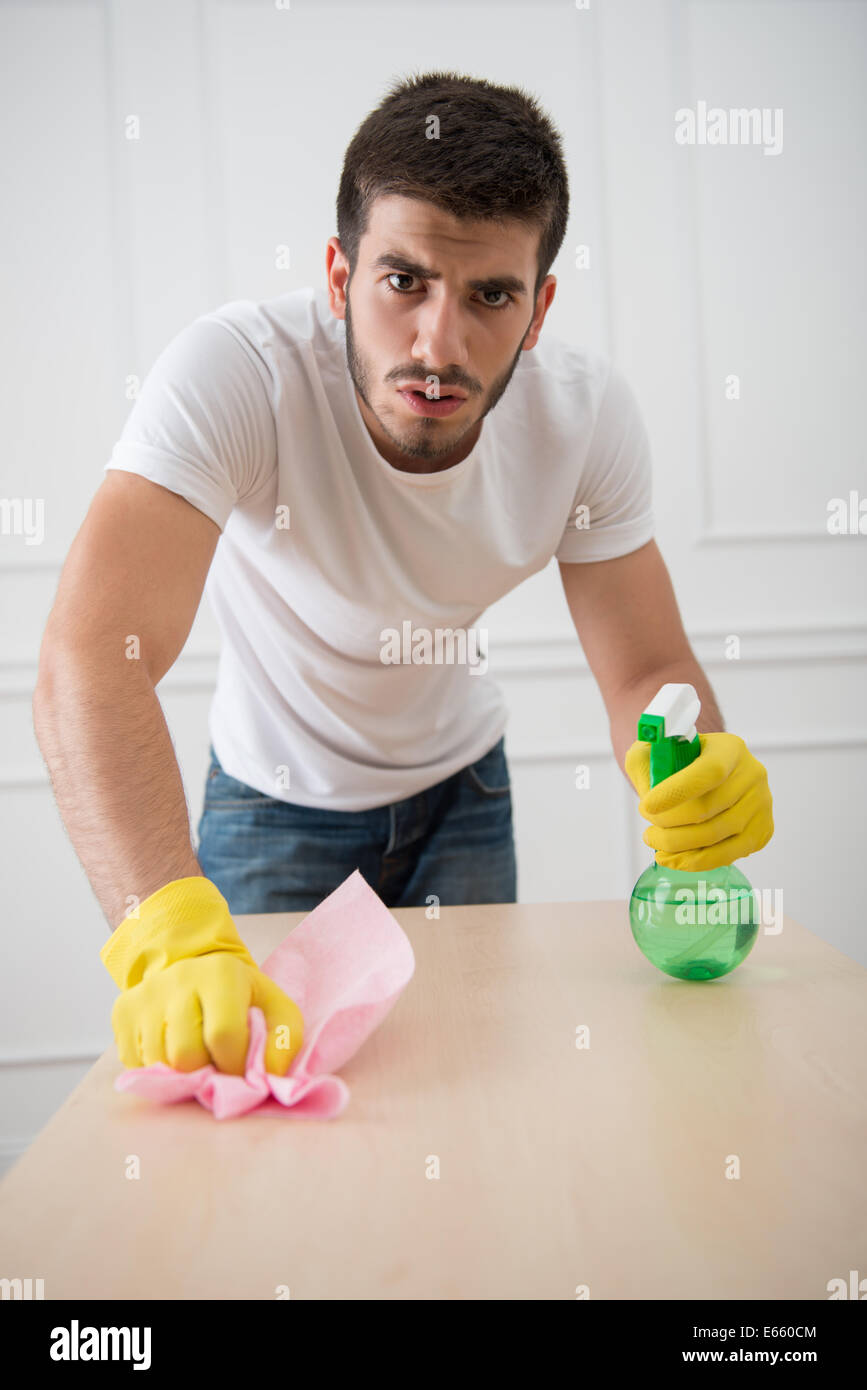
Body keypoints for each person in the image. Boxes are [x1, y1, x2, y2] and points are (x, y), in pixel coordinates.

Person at [32, 71, 773, 1077]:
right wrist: (161, 924)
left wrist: (693, 763)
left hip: (463, 793)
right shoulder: (237, 373)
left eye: (491, 295)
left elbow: (647, 670)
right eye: (403, 281)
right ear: (339, 277)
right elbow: (92, 655)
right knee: (250, 1119)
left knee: (463, 1089)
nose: (440, 342)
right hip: (270, 799)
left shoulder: (587, 417)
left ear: (540, 305)